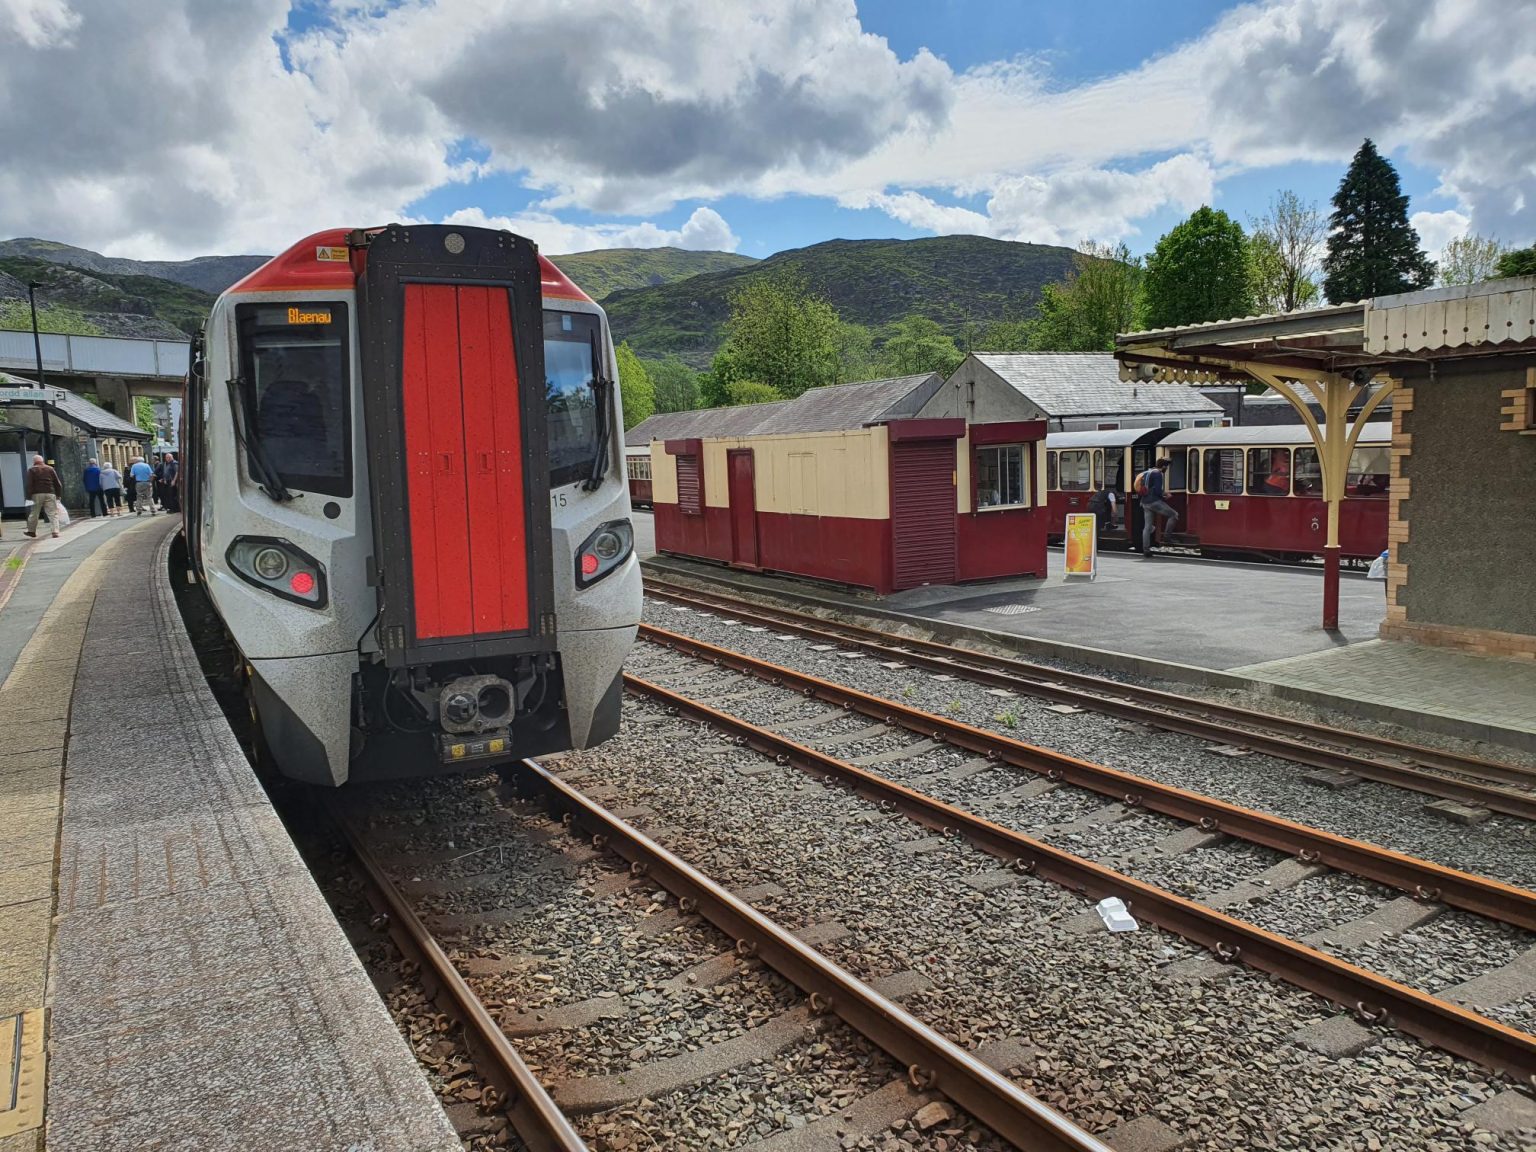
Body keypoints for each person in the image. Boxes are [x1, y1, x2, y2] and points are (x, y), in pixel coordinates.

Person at [1139, 457, 1179, 557]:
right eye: (1167, 467)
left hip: (1145, 502)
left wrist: (1162, 493)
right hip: (1154, 501)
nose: (1167, 469)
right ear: (1164, 466)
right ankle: (1167, 537)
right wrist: (1165, 496)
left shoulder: (1147, 472)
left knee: (1147, 527)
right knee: (1174, 515)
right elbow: (1157, 490)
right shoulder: (1158, 474)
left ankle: (1146, 550)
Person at [23, 454, 64, 539]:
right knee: (53, 513)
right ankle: (55, 531)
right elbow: (58, 483)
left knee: (34, 513)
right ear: (42, 460)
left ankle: (31, 531)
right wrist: (58, 495)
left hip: (36, 494)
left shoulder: (31, 470)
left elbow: (29, 484)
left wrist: (28, 496)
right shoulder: (50, 469)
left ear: (34, 461)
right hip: (50, 493)